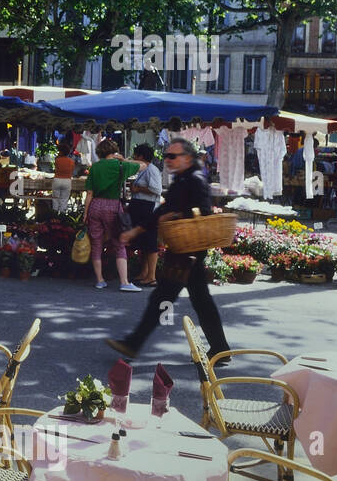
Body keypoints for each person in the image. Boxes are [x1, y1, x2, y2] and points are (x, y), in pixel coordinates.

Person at [107, 138, 232, 361]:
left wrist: (173, 217)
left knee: (162, 298)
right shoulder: (185, 177)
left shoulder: (194, 179)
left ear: (187, 157)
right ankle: (221, 350)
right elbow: (166, 207)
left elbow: (202, 211)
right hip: (188, 249)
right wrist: (138, 230)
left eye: (172, 156)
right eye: (166, 156)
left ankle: (133, 344)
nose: (168, 160)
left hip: (188, 250)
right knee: (200, 300)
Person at [82, 138, 141, 292]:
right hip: (113, 206)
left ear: (99, 152)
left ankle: (100, 280)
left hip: (95, 205)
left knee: (96, 243)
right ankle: (124, 282)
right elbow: (143, 166)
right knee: (119, 243)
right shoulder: (121, 165)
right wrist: (124, 159)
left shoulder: (94, 167)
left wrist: (85, 212)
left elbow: (89, 193)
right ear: (113, 151)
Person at [128, 143, 163, 287]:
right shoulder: (144, 169)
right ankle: (144, 273)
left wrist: (138, 189)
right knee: (144, 242)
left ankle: (151, 276)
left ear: (141, 156)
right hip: (141, 207)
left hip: (148, 208)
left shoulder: (152, 169)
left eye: (136, 155)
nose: (134, 157)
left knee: (150, 242)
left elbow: (156, 189)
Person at [51, 142, 76, 211]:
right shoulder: (71, 162)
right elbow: (72, 171)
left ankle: (54, 216)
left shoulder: (57, 160)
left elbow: (56, 168)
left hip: (57, 180)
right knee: (64, 200)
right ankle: (62, 217)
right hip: (67, 180)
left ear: (61, 151)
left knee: (55, 199)